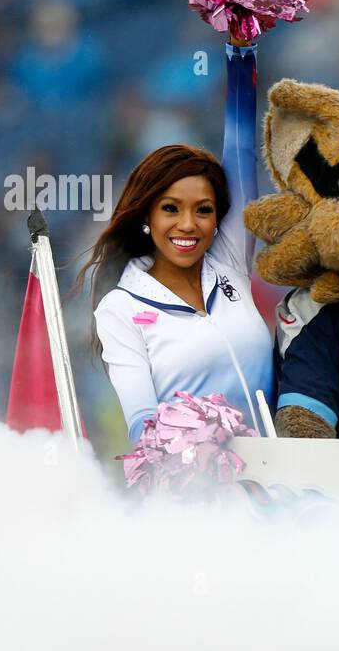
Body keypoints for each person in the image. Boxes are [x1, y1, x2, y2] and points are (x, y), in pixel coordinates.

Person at [76, 143, 273, 442]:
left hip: (282, 474)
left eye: (203, 210)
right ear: (147, 216)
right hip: (202, 483)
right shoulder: (120, 308)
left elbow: (240, 149)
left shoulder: (230, 265)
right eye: (170, 208)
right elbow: (142, 425)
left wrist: (240, 92)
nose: (187, 224)